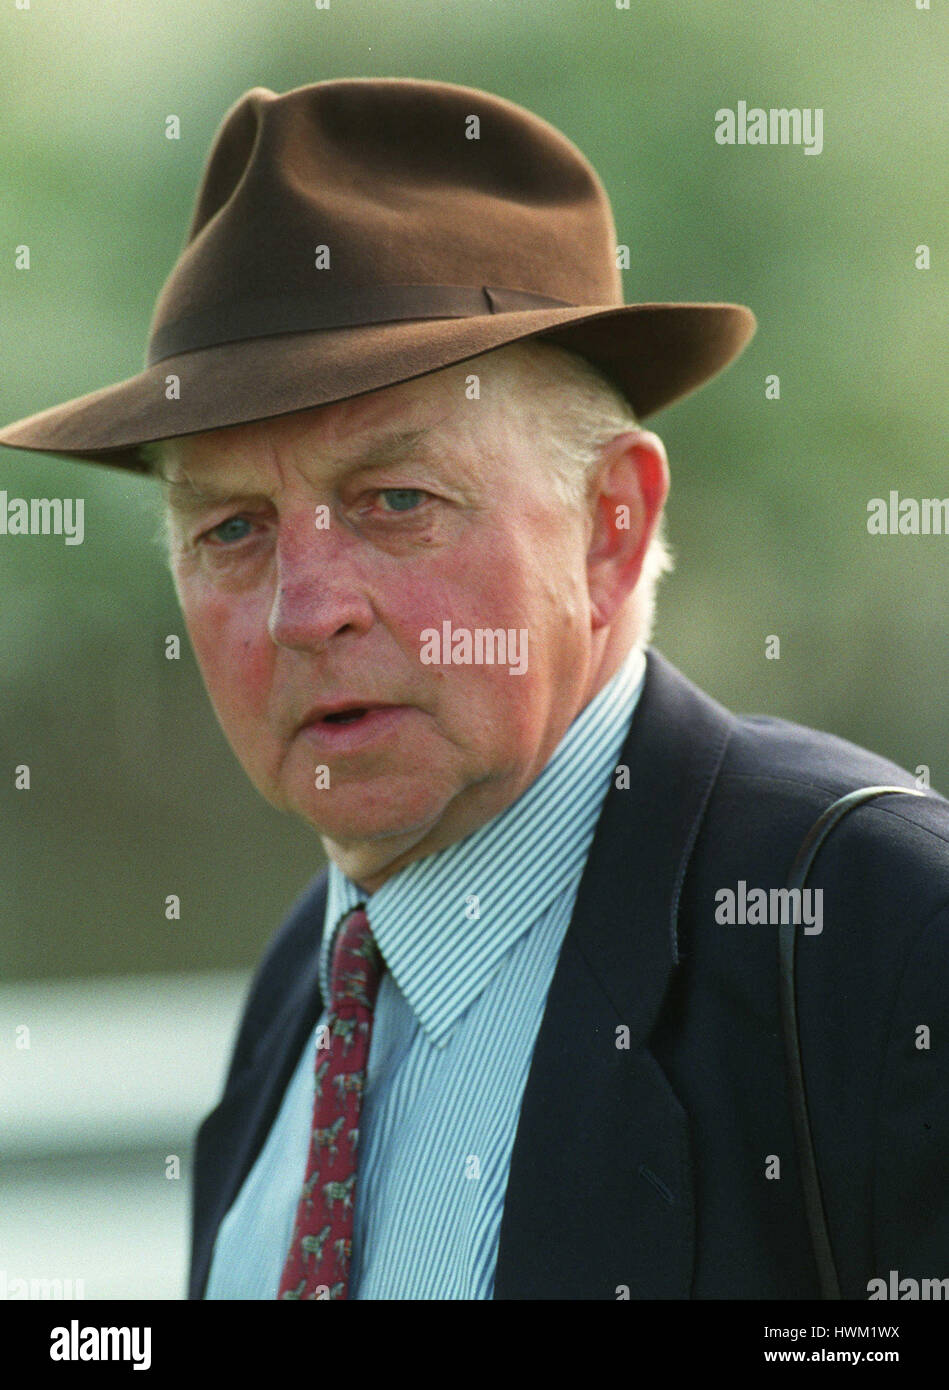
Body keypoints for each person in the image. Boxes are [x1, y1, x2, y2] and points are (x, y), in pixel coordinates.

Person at [2, 78, 946, 1302]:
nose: (304, 609)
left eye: (397, 501)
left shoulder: (882, 941)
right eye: (231, 529)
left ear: (609, 529)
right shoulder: (314, 973)